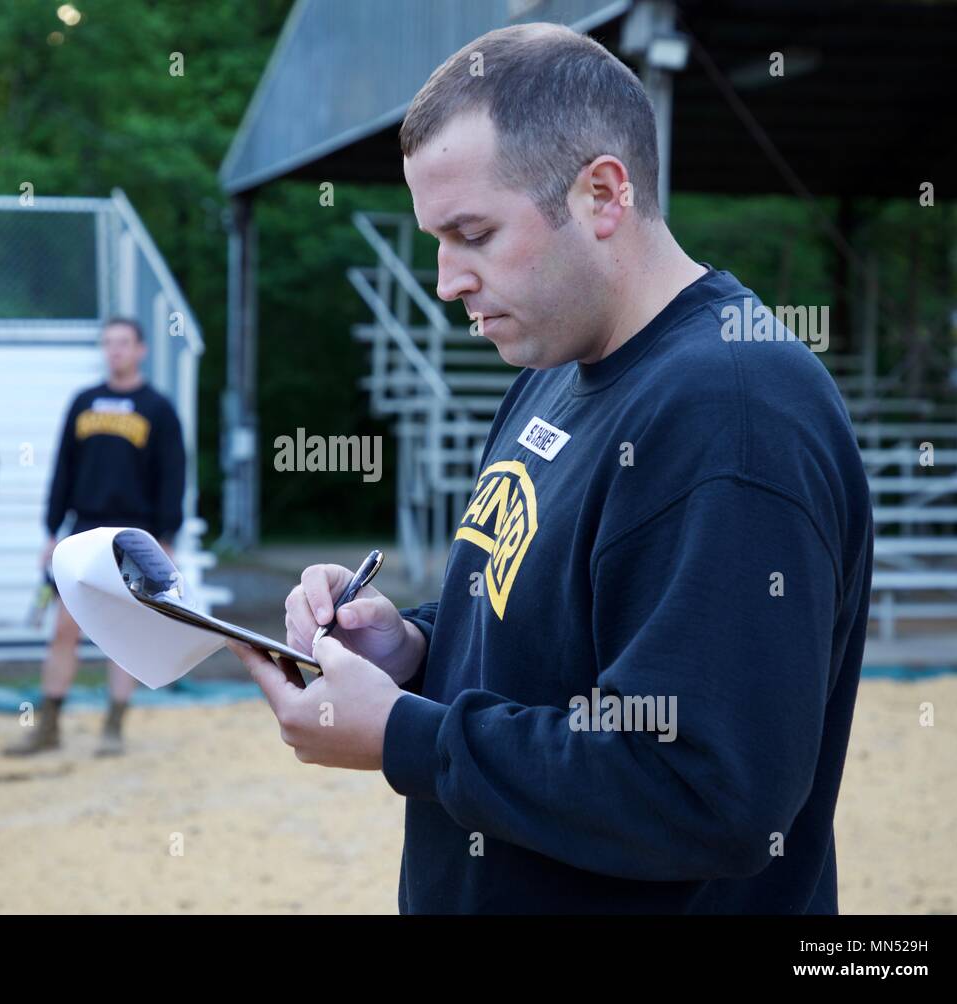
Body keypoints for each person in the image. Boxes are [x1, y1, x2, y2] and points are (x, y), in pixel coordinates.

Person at [228, 23, 872, 914]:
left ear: (603, 194)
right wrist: (412, 647)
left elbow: (709, 789)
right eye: (435, 239)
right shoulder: (552, 370)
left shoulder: (735, 409)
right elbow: (540, 638)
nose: (447, 280)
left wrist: (410, 738)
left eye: (474, 233)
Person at [3, 317, 185, 757]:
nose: (115, 351)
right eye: (108, 343)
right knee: (64, 628)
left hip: (134, 534)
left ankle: (113, 727)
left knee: (124, 633)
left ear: (140, 349)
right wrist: (51, 530)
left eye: (123, 343)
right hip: (82, 530)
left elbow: (173, 474)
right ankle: (48, 727)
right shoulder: (83, 402)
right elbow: (63, 467)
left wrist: (167, 534)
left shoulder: (157, 408)